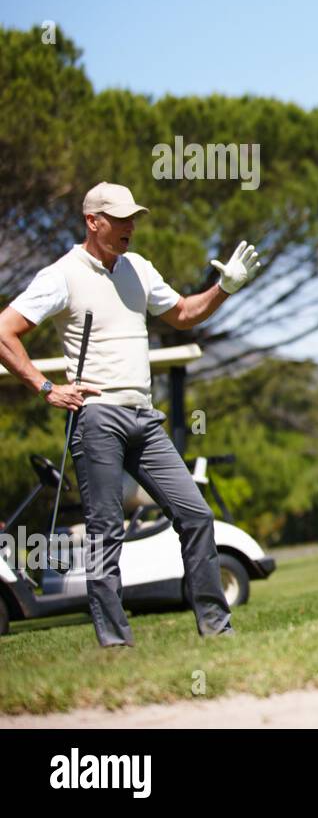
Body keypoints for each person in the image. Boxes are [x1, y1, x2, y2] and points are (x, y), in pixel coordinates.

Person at [0, 182, 262, 647]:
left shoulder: (137, 268)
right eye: (120, 219)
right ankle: (116, 642)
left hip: (144, 416)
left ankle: (216, 627)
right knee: (105, 532)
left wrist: (224, 288)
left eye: (133, 218)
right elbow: (5, 331)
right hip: (97, 417)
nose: (130, 227)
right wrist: (46, 388)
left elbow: (182, 314)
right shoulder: (62, 275)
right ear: (93, 221)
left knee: (196, 514)